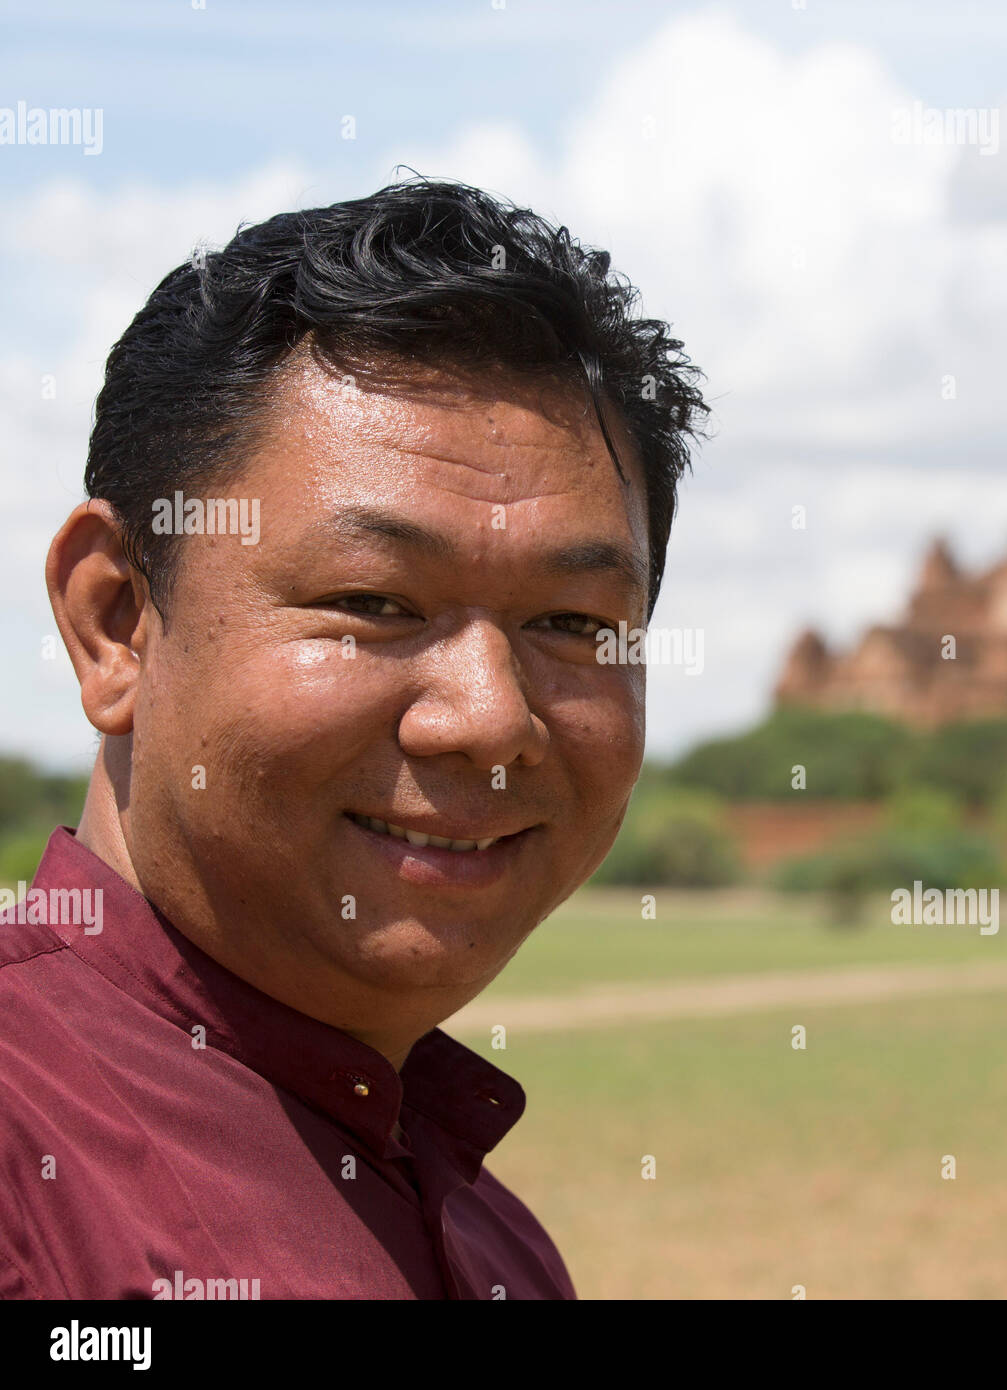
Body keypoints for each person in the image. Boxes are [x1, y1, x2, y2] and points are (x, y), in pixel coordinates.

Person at [0, 177, 708, 1299]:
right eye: (375, 601)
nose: (489, 718)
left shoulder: (492, 1242)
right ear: (116, 623)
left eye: (572, 624)